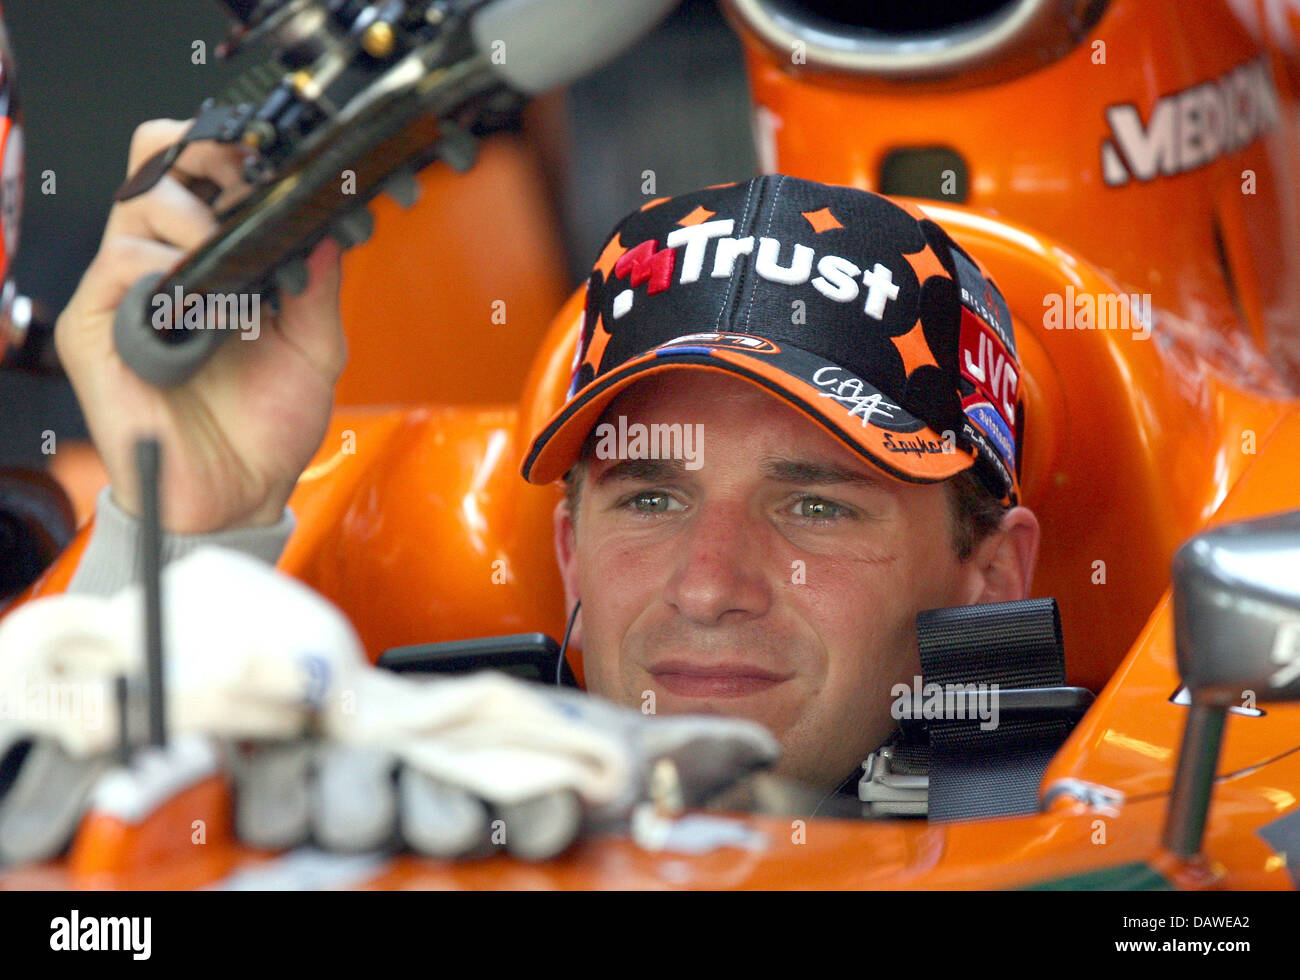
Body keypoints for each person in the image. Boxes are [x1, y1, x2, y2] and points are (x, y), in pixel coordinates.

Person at [55, 120, 1039, 797]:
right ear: (568, 551)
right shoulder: (416, 814)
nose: (707, 587)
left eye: (817, 506)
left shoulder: (1146, 832)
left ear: (990, 577)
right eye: (651, 496)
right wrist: (187, 516)